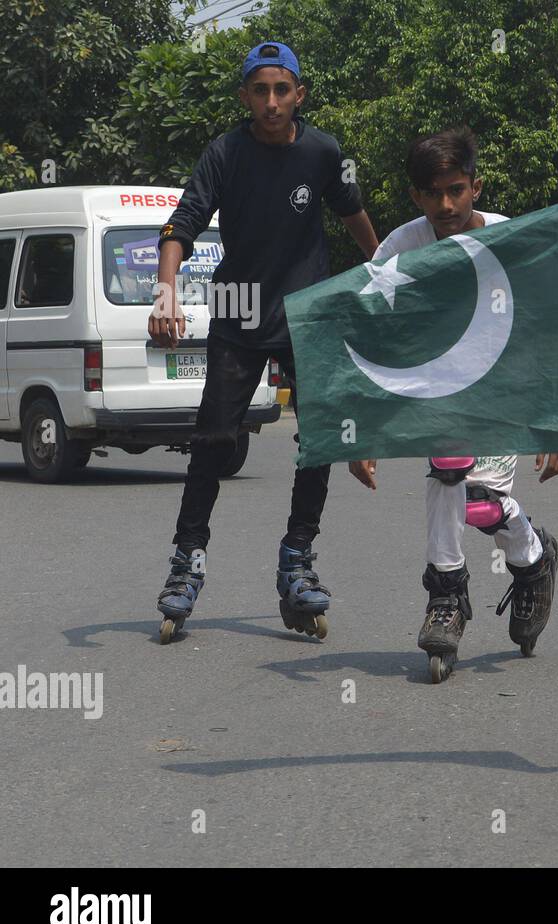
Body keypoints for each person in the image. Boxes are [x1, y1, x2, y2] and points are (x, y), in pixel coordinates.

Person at [150, 41, 379, 642]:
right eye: (260, 90)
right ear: (246, 96)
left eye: (282, 90)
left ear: (299, 94)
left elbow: (354, 213)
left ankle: (297, 558)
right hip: (236, 309)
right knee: (214, 440)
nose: (272, 102)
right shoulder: (224, 153)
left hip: (307, 312)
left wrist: (385, 270)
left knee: (319, 440)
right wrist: (166, 290)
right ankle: (186, 563)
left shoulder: (324, 152)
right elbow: (181, 225)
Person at [346, 128, 558, 684]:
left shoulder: (510, 241)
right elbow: (369, 337)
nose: (446, 205)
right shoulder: (398, 249)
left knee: (482, 504)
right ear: (416, 196)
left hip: (501, 390)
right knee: (449, 477)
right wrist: (364, 430)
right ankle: (445, 600)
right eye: (433, 193)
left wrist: (553, 423)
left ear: (475, 187)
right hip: (439, 392)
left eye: (457, 190)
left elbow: (548, 331)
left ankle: (534, 556)